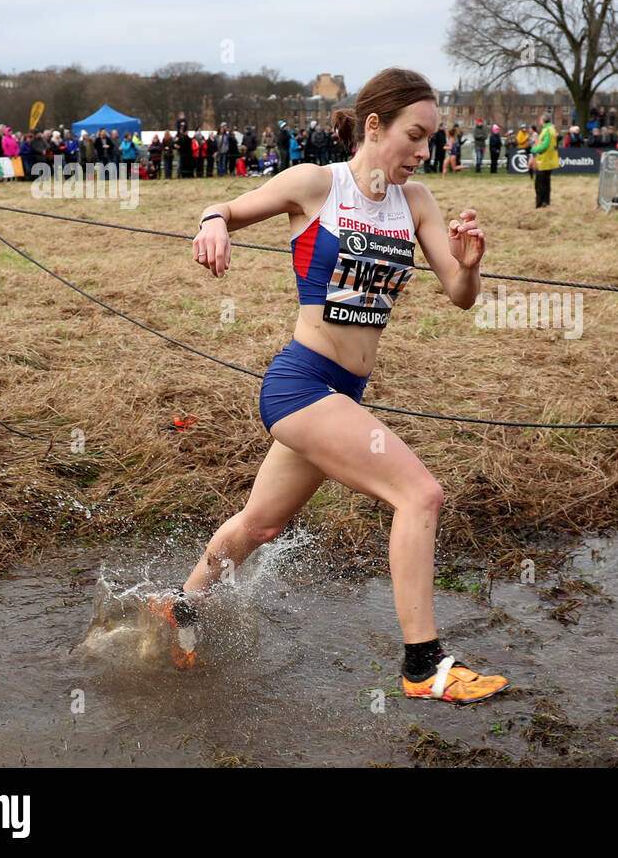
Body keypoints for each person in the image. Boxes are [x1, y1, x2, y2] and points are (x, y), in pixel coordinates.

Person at [172, 66, 507, 704]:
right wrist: (213, 223)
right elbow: (226, 208)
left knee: (260, 525)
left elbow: (460, 297)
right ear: (374, 126)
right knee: (421, 496)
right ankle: (423, 665)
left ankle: (183, 608)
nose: (424, 152)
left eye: (432, 140)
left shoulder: (417, 203)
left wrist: (471, 266)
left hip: (342, 397)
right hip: (300, 385)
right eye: (415, 136)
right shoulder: (317, 185)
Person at [530, 113, 557, 207]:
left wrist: (534, 149)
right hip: (549, 159)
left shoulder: (547, 130)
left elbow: (545, 145)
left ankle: (540, 203)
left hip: (544, 160)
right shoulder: (551, 129)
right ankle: (546, 201)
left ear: (543, 120)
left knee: (539, 183)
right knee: (546, 182)